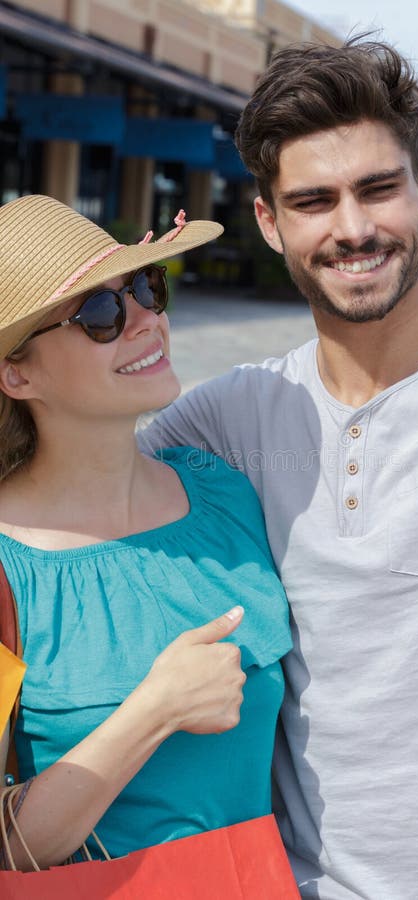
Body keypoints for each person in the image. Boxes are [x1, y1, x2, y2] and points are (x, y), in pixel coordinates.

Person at [140, 38, 418, 899]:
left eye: (378, 189)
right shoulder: (230, 412)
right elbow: (72, 493)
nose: (353, 228)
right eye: (314, 201)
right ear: (271, 223)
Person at [0, 194, 291, 870]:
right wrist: (154, 710)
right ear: (17, 372)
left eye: (143, 288)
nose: (143, 322)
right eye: (100, 314)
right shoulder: (8, 570)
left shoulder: (222, 492)